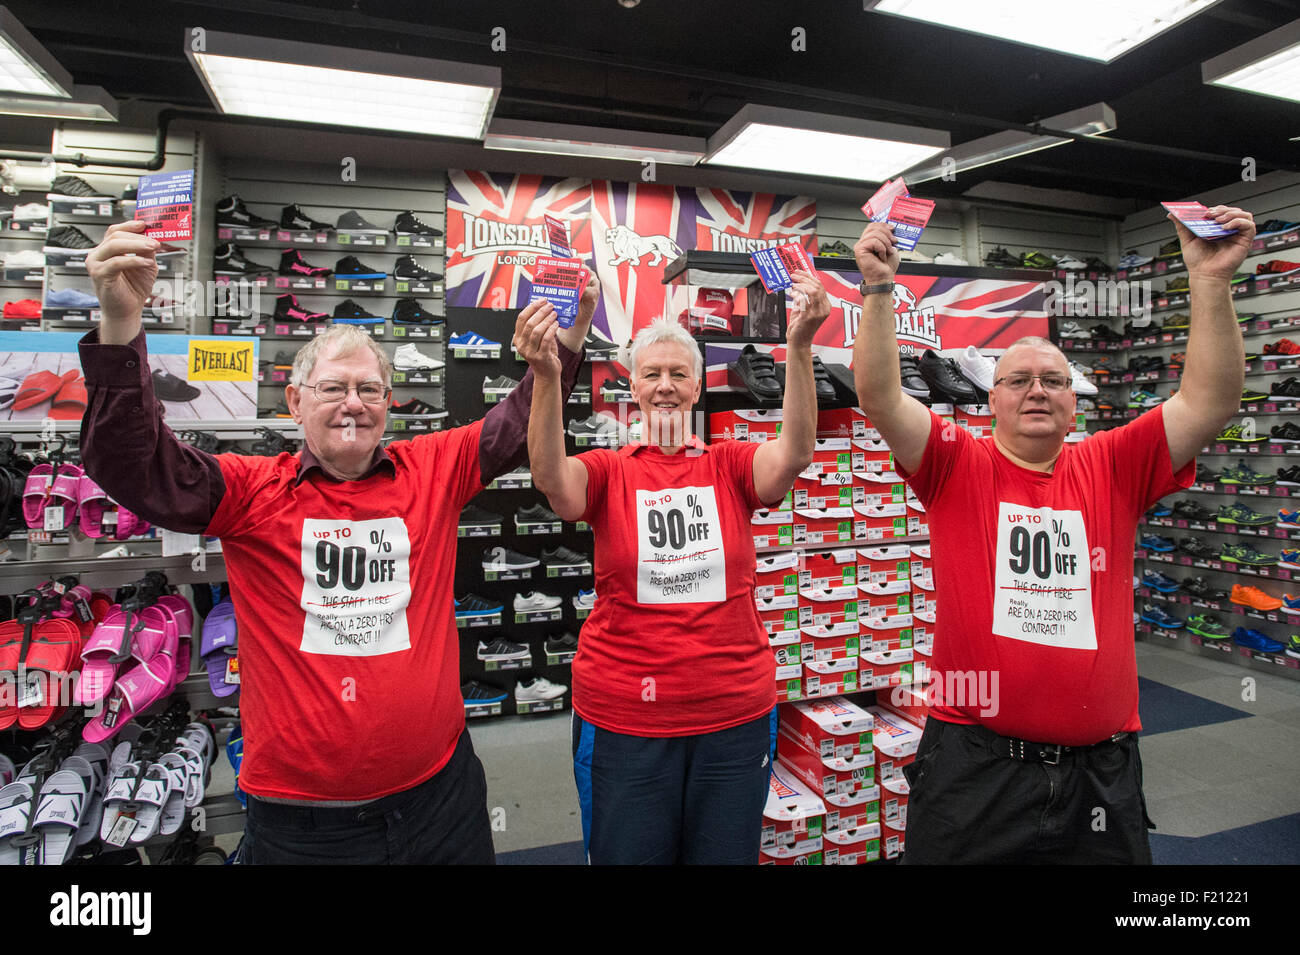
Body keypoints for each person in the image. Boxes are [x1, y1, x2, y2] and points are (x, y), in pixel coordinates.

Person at [77, 219, 596, 864]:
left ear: (387, 400)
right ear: (294, 402)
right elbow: (133, 464)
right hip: (304, 823)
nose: (353, 404)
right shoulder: (250, 489)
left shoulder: (430, 468)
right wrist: (120, 325)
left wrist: (568, 338)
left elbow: (515, 424)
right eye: (333, 389)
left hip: (441, 798)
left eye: (369, 390)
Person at [851, 206, 1253, 863]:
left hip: (1100, 772)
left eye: (1054, 381)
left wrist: (1209, 283)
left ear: (1076, 401)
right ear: (991, 399)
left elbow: (1210, 400)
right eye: (1017, 380)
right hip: (974, 770)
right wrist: (876, 289)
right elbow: (881, 396)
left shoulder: (1114, 463)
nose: (1036, 389)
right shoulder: (956, 461)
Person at [518, 270, 833, 864]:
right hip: (625, 717)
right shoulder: (610, 470)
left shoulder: (730, 465)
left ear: (696, 388)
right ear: (632, 385)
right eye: (653, 374)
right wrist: (546, 375)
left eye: (678, 374)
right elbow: (553, 482)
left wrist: (798, 347)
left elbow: (794, 452)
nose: (665, 385)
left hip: (732, 713)